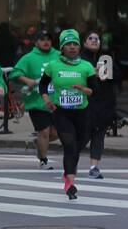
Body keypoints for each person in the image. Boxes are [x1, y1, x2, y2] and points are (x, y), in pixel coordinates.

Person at [38, 30, 98, 201]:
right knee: (69, 145)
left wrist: (84, 89)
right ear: (62, 47)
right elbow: (43, 86)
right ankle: (70, 184)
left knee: (77, 147)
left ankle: (68, 172)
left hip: (82, 112)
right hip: (61, 112)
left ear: (79, 47)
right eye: (68, 44)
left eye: (75, 44)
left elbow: (94, 91)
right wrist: (46, 99)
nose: (72, 47)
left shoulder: (86, 66)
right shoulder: (53, 65)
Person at [12, 29, 62, 169]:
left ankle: (39, 143)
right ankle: (43, 160)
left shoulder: (59, 55)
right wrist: (27, 80)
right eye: (42, 39)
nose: (46, 42)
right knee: (44, 131)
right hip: (37, 102)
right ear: (36, 42)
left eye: (48, 39)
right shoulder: (29, 58)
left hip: (56, 101)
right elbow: (15, 73)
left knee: (56, 133)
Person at [81, 31, 115, 178]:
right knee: (83, 137)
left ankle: (94, 167)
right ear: (85, 43)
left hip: (104, 104)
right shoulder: (81, 59)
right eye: (91, 38)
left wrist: (106, 72)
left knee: (99, 136)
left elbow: (115, 78)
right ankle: (69, 161)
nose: (94, 41)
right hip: (86, 104)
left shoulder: (106, 58)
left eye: (97, 39)